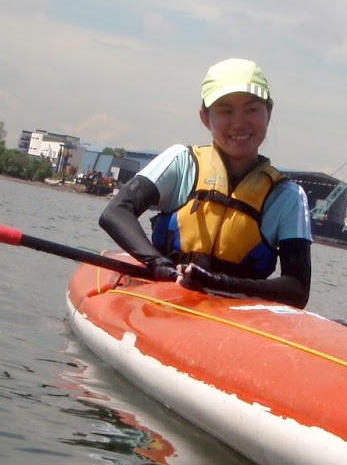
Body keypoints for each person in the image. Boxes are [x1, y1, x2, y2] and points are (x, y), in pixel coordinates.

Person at [98, 58, 312, 308]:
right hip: (164, 292)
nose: (239, 123)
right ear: (205, 117)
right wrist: (159, 264)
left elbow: (297, 289)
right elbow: (115, 213)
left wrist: (221, 283)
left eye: (252, 109)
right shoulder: (180, 162)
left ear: (269, 112)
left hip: (235, 311)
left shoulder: (288, 196)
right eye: (226, 111)